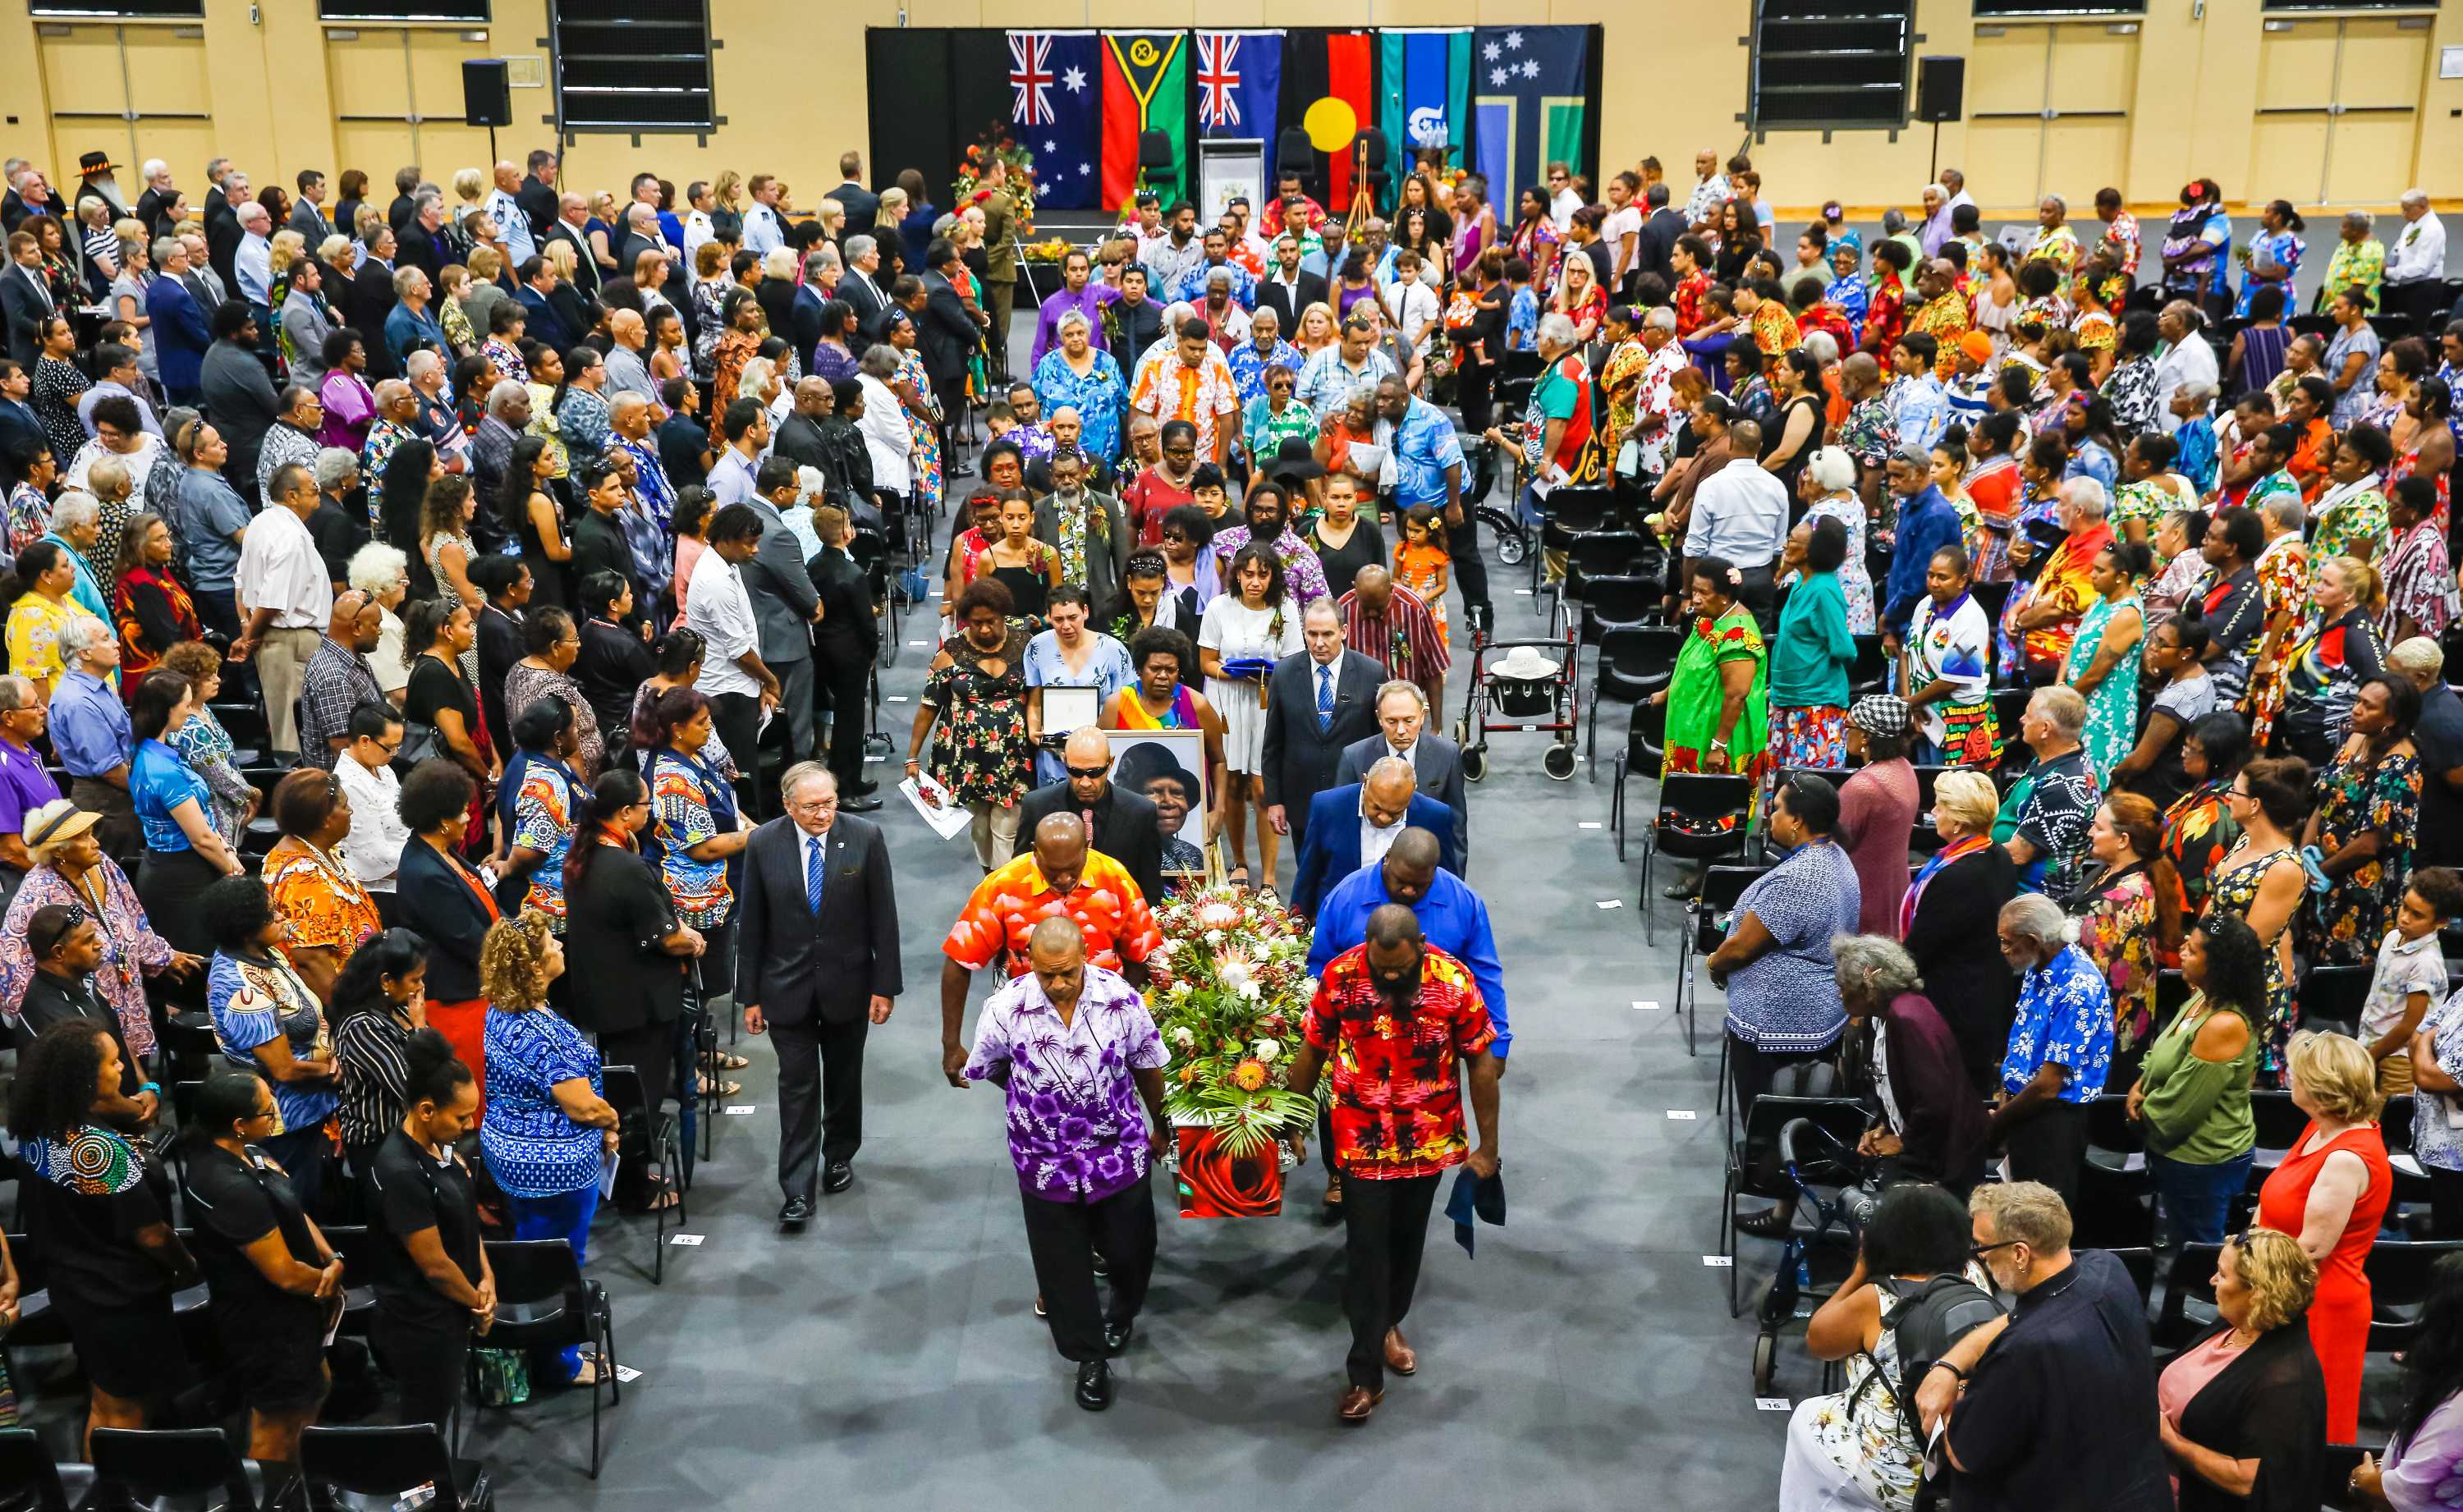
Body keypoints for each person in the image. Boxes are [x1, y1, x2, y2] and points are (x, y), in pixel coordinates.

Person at [1285, 904, 1501, 1424]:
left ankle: (1388, 1321)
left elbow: (1481, 1062)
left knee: (1406, 1243)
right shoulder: (1341, 976)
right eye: (1380, 970)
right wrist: (1291, 1122)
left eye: (1398, 970)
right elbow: (1312, 1052)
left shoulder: (1453, 981)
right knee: (1366, 1251)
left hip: (1427, 1137)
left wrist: (1488, 1147)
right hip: (1360, 1140)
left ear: (1420, 947)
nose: (1387, 979)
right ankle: (1364, 1374)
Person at [961, 916, 1169, 1413]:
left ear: (1085, 958)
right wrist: (1039, 1098)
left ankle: (1122, 1312)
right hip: (1043, 1157)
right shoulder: (1005, 1008)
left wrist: (1161, 1123)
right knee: (1061, 1263)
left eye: (1067, 973)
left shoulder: (1120, 998)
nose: (1057, 984)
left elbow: (1146, 1063)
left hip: (1118, 1149)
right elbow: (992, 1066)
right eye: (1047, 974)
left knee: (1133, 1248)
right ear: (1028, 962)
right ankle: (1088, 1357)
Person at [1915, 1182, 2171, 1511]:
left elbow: (1963, 1455)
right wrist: (1950, 1365)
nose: (1980, 1256)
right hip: (2138, 1489)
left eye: (1981, 1246)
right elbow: (2016, 1317)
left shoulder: (2023, 1352)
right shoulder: (2107, 1269)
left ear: (2020, 1254)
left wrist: (1959, 1393)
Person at [7, 1018, 199, 1452]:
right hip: (119, 1297)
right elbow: (152, 1236)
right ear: (85, 1078)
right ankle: (115, 1484)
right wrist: (187, 1266)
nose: (121, 1069)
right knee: (123, 1412)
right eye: (113, 1063)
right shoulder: (98, 1152)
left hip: (75, 1286)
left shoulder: (40, 1128)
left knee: (106, 1400)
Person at [736, 761, 901, 1224]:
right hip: (786, 990)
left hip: (849, 986)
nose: (823, 814)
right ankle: (796, 1191)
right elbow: (752, 924)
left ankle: (840, 1154)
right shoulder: (764, 843)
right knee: (797, 1088)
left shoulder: (865, 837)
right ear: (788, 806)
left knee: (844, 1080)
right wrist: (749, 996)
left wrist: (885, 986)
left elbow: (884, 918)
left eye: (829, 803)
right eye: (811, 807)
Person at [1784, 1183, 1997, 1511]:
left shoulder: (1877, 1299)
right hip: (1964, 1466)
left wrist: (1861, 1270)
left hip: (1899, 1476)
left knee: (1807, 1418)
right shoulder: (1974, 1277)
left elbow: (1819, 1341)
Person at [1711, 773, 1860, 1232]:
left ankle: (1777, 1197)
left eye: (1777, 808)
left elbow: (1743, 946)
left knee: (1772, 1119)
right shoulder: (1837, 858)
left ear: (1798, 821)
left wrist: (1715, 961)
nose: (1769, 815)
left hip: (1778, 1025)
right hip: (1818, 1016)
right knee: (1801, 1114)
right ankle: (1784, 1208)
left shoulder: (1799, 879)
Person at [180, 1068, 343, 1474]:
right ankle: (269, 1492)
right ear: (239, 1124)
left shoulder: (252, 1154)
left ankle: (293, 1478)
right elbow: (284, 1273)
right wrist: (325, 1283)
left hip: (295, 1310)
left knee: (314, 1391)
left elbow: (293, 1208)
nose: (277, 1115)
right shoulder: (226, 1185)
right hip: (266, 1322)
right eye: (269, 1111)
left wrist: (332, 1258)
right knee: (276, 1423)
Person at [477, 909, 613, 1384]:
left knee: (528, 1249)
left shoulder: (502, 1011)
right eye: (552, 945)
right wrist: (613, 1120)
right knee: (561, 1261)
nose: (560, 947)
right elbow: (583, 1108)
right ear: (534, 967)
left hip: (510, 1157)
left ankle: (525, 1341)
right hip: (556, 1167)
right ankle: (559, 1363)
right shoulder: (542, 1035)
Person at [555, 766, 695, 1213]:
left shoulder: (582, 857)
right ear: (625, 813)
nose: (651, 811)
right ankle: (635, 1190)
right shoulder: (627, 867)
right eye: (646, 804)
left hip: (604, 998)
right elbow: (663, 937)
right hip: (641, 1003)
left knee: (621, 1092)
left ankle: (626, 1179)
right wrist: (693, 941)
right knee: (642, 1099)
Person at [2256, 1029, 2391, 1444]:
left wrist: (2248, 1270)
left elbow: (2311, 1248)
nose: (2289, 1076)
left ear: (2320, 1090)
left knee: (2307, 1427)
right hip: (2284, 1287)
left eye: (2297, 1072)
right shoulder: (2321, 1129)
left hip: (2318, 1303)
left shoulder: (2345, 1158)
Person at [367, 1027, 493, 1432]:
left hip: (454, 1307)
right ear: (426, 1110)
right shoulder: (401, 1173)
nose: (470, 1124)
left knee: (441, 1407)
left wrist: (487, 1276)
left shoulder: (443, 1147)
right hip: (421, 1324)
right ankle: (421, 1476)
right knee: (425, 1422)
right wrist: (478, 1302)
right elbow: (435, 1266)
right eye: (461, 1116)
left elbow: (466, 1218)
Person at [2154, 1226, 2327, 1512]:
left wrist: (2169, 1439)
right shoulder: (2235, 1322)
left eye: (2222, 1275)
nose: (2212, 1280)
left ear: (2256, 1293)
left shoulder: (2285, 1382)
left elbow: (2248, 1480)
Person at [1646, 557, 1769, 895]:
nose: (1695, 599)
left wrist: (1718, 746)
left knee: (1713, 805)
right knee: (1694, 798)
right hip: (1693, 730)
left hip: (1719, 737)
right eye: (1694, 591)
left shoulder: (1740, 636)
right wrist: (1668, 692)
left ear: (1725, 596)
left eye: (1703, 593)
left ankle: (1708, 874)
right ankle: (1691, 844)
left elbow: (1736, 695)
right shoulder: (1711, 619)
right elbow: (1691, 663)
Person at [1988, 892, 2115, 1206]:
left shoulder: (2077, 987)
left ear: (2033, 940)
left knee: (2039, 1216)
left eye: (2007, 942)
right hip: (2023, 1108)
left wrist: (1998, 1123)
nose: (2002, 950)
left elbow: (2048, 1086)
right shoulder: (2039, 967)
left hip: (2053, 1122)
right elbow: (2021, 1045)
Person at [1832, 937, 1986, 1193]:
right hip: (1925, 1148)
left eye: (1843, 986)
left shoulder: (1908, 1018)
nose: (1840, 994)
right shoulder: (1879, 1017)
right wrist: (1884, 1126)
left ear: (1868, 988)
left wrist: (1902, 1141)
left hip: (1943, 1159)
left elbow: (1936, 1100)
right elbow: (1897, 1088)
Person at [1902, 767, 2023, 1088]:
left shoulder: (1957, 877)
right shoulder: (1997, 855)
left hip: (1952, 1009)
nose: (1933, 812)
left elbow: (1920, 950)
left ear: (1957, 822)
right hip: (1984, 997)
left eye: (1940, 806)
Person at [1199, 544, 1306, 891]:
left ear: (1273, 576)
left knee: (1263, 787)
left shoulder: (1285, 608)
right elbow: (1206, 662)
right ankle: (1240, 863)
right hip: (1228, 701)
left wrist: (1269, 673)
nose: (1255, 582)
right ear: (1238, 575)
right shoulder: (1219, 607)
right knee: (1232, 782)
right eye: (1248, 574)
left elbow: (1295, 663)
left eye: (1263, 574)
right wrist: (1233, 673)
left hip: (1267, 701)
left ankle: (1270, 877)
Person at [908, 578, 1034, 872]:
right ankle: (989, 876)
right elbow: (928, 706)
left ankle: (1001, 886)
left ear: (1003, 615)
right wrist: (912, 756)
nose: (985, 629)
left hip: (1012, 754)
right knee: (979, 825)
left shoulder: (1025, 645)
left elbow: (1039, 695)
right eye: (977, 623)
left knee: (1007, 826)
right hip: (968, 756)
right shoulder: (950, 652)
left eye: (991, 621)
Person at [2301, 674, 2424, 968]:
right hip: (2322, 872)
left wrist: (2319, 872)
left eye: (2369, 707)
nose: (2356, 710)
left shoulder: (2398, 764)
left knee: (2341, 969)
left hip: (2360, 885)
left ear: (2391, 719)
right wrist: (2303, 857)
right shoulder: (2357, 738)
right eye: (2358, 701)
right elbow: (2329, 799)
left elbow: (2371, 843)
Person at [391, 759, 498, 1091]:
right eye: (462, 812)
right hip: (456, 1001)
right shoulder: (424, 872)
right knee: (470, 1091)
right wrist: (519, 951)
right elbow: (467, 937)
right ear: (442, 822)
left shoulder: (442, 853)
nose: (468, 818)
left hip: (478, 991)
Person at [1259, 598, 1386, 863]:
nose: (1319, 642)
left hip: (1356, 800)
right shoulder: (1284, 673)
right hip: (1301, 803)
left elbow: (1380, 742)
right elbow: (1273, 744)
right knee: (1309, 876)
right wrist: (1274, 800)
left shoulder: (1371, 673)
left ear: (1344, 631)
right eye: (1312, 634)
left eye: (1327, 634)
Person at [234, 460, 336, 761]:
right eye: (313, 489)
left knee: (286, 723)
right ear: (292, 496)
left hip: (274, 636)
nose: (319, 494)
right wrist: (249, 637)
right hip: (290, 639)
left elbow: (240, 583)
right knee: (295, 732)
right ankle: (300, 785)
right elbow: (272, 601)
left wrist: (246, 624)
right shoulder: (290, 536)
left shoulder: (260, 524)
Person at [261, 765, 380, 1005]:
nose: (351, 811)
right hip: (341, 1007)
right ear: (326, 819)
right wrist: (347, 1015)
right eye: (345, 806)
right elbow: (311, 962)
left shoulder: (318, 850)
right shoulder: (303, 879)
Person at [328, 926, 426, 1184]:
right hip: (380, 1148)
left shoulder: (398, 1009)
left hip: (409, 1139)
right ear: (386, 981)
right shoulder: (361, 1026)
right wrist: (420, 1030)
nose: (421, 987)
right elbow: (411, 1086)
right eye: (415, 980)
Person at [1331, 680, 1470, 864]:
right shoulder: (1354, 758)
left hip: (1424, 866)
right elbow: (1341, 825)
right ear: (1379, 718)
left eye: (1409, 720)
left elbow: (1456, 826)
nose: (1401, 730)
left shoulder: (1447, 755)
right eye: (1392, 721)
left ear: (1422, 716)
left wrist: (1454, 878)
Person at [1768, 516, 1857, 775]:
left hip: (1815, 704)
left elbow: (1844, 649)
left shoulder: (1824, 590)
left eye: (1792, 541)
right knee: (1784, 785)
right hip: (1787, 700)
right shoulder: (1801, 582)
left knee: (1808, 787)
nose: (1785, 546)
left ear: (1810, 550)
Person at [2364, 868, 2463, 1093]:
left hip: (2399, 1062)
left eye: (2417, 915)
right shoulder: (2392, 937)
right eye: (2405, 906)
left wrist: (2370, 1055)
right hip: (2373, 1045)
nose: (2405, 917)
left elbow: (2410, 1025)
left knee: (2387, 1114)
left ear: (2441, 922)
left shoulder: (2426, 962)